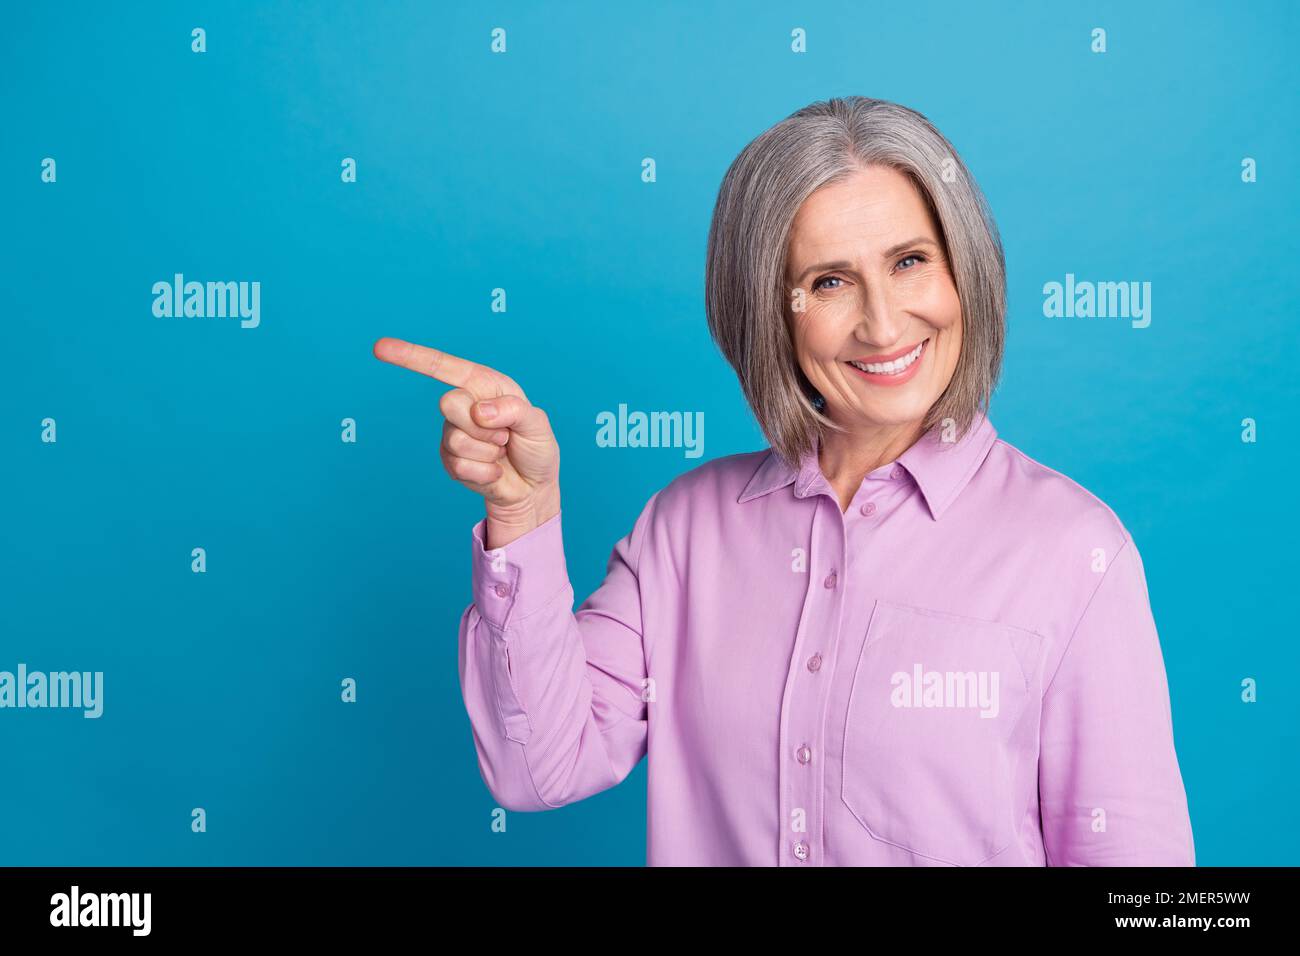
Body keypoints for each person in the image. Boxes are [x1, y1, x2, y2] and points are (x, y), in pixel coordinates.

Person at [374, 96, 1195, 867]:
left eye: (911, 262)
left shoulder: (1074, 552)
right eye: (830, 281)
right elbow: (537, 769)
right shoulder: (684, 530)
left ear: (964, 273)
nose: (882, 322)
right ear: (767, 309)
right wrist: (523, 513)